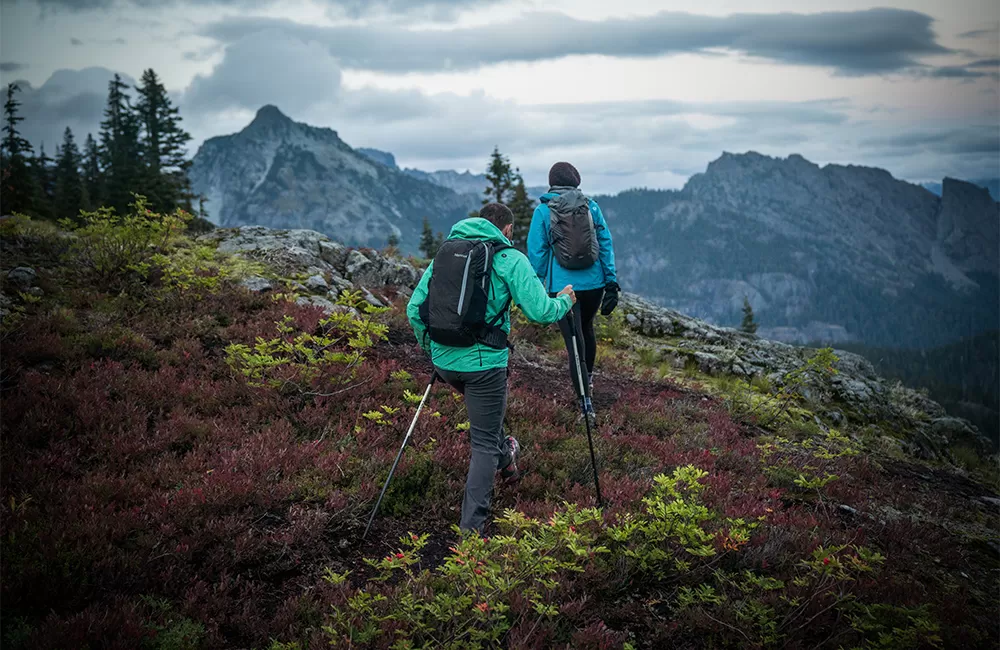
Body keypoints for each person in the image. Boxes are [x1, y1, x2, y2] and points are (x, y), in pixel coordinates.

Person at [407, 203, 576, 534]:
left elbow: (415, 309)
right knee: (483, 444)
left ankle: (507, 454)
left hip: (444, 362)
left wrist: (433, 351)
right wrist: (566, 301)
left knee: (487, 424)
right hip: (484, 366)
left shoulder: (445, 253)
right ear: (508, 231)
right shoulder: (510, 259)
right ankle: (471, 533)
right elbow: (541, 312)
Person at [527, 162, 619, 418]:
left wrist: (538, 287)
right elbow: (605, 243)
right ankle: (587, 382)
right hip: (595, 284)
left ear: (551, 182)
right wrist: (611, 281)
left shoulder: (544, 211)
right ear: (576, 181)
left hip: (563, 288)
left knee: (573, 341)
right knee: (587, 330)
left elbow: (537, 252)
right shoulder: (591, 206)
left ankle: (585, 404)